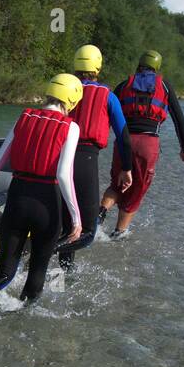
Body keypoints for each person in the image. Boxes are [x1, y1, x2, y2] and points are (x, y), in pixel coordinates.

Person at [0, 74, 84, 315]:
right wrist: (77, 219)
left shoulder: (24, 117)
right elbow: (63, 175)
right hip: (46, 203)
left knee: (3, 273)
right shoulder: (71, 127)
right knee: (38, 270)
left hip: (17, 198)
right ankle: (21, 317)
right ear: (72, 100)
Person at [99, 50, 184, 237]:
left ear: (139, 65)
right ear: (157, 67)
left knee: (117, 184)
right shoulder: (164, 86)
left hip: (124, 141)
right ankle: (118, 234)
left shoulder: (124, 84)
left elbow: (106, 114)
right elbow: (179, 120)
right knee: (137, 190)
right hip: (147, 145)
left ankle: (98, 216)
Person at [59, 44, 132, 268]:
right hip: (85, 161)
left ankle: (61, 269)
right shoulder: (108, 96)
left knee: (65, 222)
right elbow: (123, 136)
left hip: (58, 159)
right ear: (97, 68)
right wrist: (126, 167)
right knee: (87, 232)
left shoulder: (62, 90)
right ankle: (51, 259)